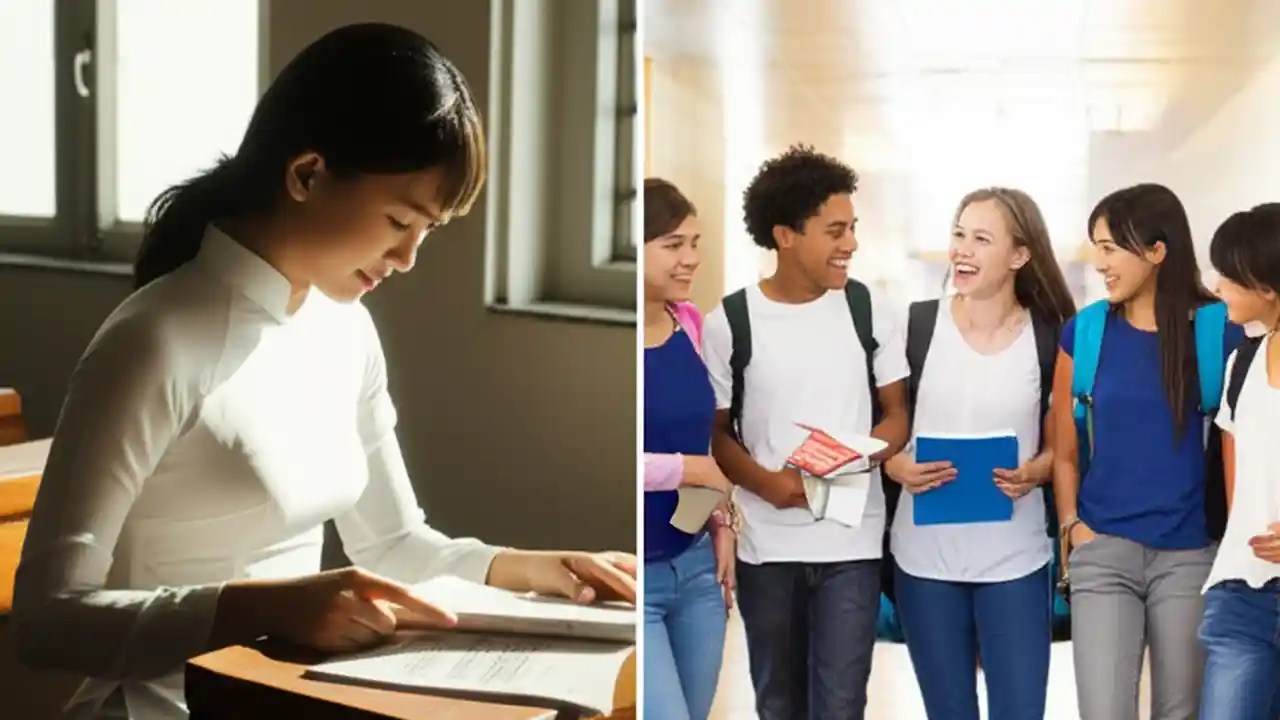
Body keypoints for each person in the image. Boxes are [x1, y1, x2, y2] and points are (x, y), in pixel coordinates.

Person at [11, 24, 635, 720]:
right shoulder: (152, 341)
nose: (408, 258)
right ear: (306, 174)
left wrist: (535, 570)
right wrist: (261, 608)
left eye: (429, 230)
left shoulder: (346, 329)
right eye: (401, 219)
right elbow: (47, 621)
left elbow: (395, 545)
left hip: (288, 698)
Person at [703, 145, 911, 719]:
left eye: (853, 229)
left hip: (852, 544)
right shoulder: (731, 323)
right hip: (767, 549)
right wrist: (769, 485)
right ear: (786, 235)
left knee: (841, 706)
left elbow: (897, 414)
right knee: (778, 704)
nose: (850, 243)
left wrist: (856, 458)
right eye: (835, 230)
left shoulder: (870, 310)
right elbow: (719, 432)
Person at [1050, 183, 1242, 720]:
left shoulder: (1218, 332)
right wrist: (1073, 527)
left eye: (1111, 247)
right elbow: (1063, 449)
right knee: (1104, 712)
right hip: (1102, 550)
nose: (1099, 261)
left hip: (1189, 556)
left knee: (1179, 712)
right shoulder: (1083, 333)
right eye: (1096, 246)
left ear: (1157, 252)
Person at [885, 188, 1075, 720]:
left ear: (1019, 256)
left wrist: (1035, 471)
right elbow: (882, 425)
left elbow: (1061, 441)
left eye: (981, 239)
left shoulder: (1051, 337)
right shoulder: (915, 326)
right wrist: (895, 463)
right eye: (958, 234)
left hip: (1014, 561)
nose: (962, 250)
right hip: (925, 561)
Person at [642, 178, 736, 720]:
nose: (691, 259)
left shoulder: (691, 323)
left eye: (695, 243)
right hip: (644, 578)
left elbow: (701, 441)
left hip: (698, 568)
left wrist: (720, 522)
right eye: (673, 245)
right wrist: (688, 470)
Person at [1199, 203, 1280, 720]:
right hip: (1240, 593)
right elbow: (1238, 483)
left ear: (1266, 285)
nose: (1217, 286)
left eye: (1228, 276)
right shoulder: (1241, 361)